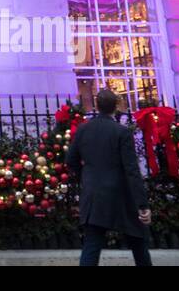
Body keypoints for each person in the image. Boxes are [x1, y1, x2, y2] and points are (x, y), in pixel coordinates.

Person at [65, 88, 153, 267]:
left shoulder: (83, 129)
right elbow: (131, 170)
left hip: (94, 194)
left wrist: (86, 176)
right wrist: (142, 205)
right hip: (121, 195)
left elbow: (71, 160)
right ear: (116, 107)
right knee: (138, 242)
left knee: (92, 245)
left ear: (96, 106)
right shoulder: (122, 132)